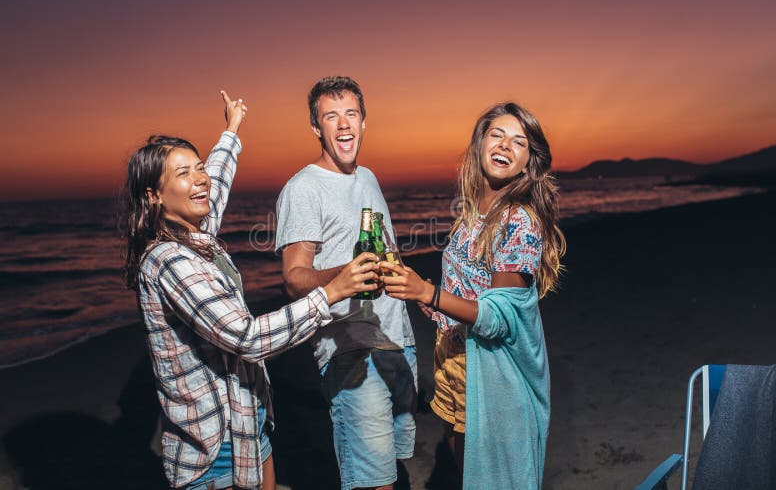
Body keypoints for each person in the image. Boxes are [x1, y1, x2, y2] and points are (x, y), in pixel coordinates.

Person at [122, 91, 379, 490]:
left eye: (199, 167)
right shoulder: (169, 260)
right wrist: (330, 293)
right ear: (154, 195)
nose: (200, 178)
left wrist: (232, 128)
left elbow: (217, 181)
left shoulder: (196, 233)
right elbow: (245, 338)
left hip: (248, 419)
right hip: (212, 446)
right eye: (183, 173)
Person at [380, 102, 566, 489]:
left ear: (528, 161)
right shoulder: (474, 211)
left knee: (493, 478)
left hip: (491, 370)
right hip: (452, 358)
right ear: (480, 143)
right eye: (497, 134)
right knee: (468, 470)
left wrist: (428, 292)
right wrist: (415, 290)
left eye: (519, 142)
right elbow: (462, 293)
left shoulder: (519, 221)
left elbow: (499, 319)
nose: (505, 145)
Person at [275, 76, 417, 490]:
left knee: (393, 462)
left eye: (350, 114)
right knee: (374, 480)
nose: (342, 125)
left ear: (364, 122)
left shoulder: (368, 177)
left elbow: (387, 248)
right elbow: (293, 277)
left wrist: (414, 288)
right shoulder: (303, 189)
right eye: (330, 116)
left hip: (397, 339)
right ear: (316, 128)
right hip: (352, 350)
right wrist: (344, 275)